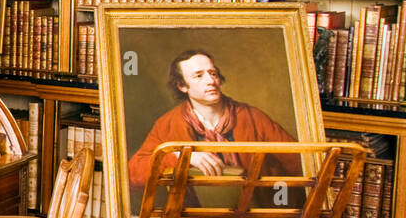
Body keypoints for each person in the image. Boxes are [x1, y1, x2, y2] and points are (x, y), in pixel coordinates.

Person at [126, 49, 301, 201]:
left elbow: (300, 161)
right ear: (182, 86)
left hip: (253, 216)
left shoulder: (252, 117)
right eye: (199, 76)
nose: (210, 81)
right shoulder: (168, 124)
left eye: (213, 73)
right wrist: (181, 157)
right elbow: (133, 174)